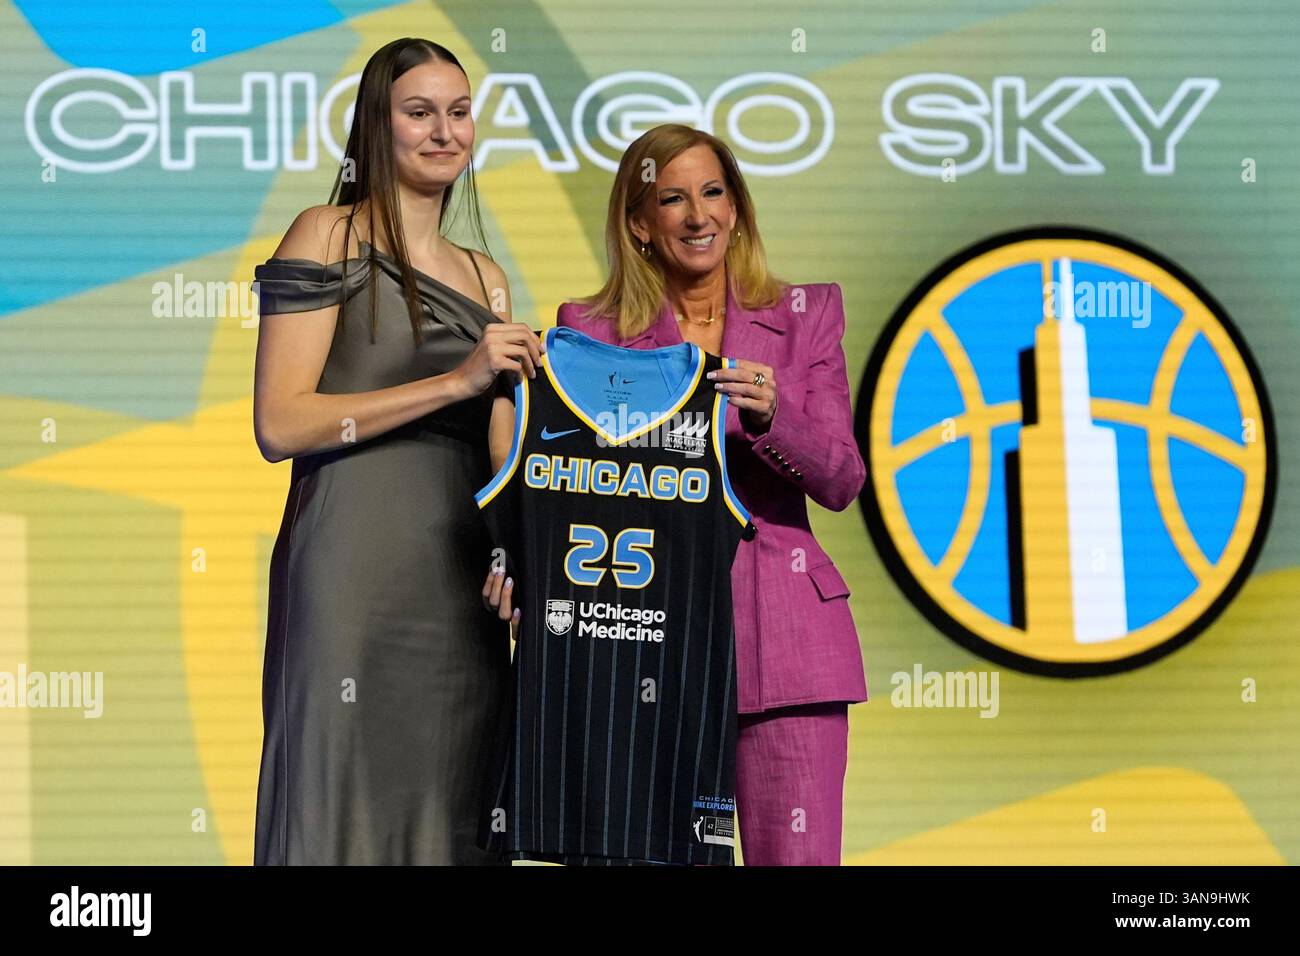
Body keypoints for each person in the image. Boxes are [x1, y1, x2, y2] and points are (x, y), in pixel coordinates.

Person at [484, 124, 868, 865]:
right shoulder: (589, 330)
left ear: (737, 206)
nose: (699, 216)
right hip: (640, 644)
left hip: (784, 648)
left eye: (714, 192)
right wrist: (519, 568)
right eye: (673, 199)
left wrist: (772, 415)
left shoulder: (805, 314)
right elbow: (568, 486)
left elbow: (842, 479)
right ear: (641, 223)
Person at [252, 37, 542, 864]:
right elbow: (282, 423)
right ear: (378, 126)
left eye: (459, 113)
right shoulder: (326, 233)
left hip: (460, 588)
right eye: (419, 113)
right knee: (336, 794)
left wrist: (522, 550)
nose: (443, 132)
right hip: (352, 575)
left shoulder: (486, 275)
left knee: (452, 804)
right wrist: (456, 381)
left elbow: (501, 445)